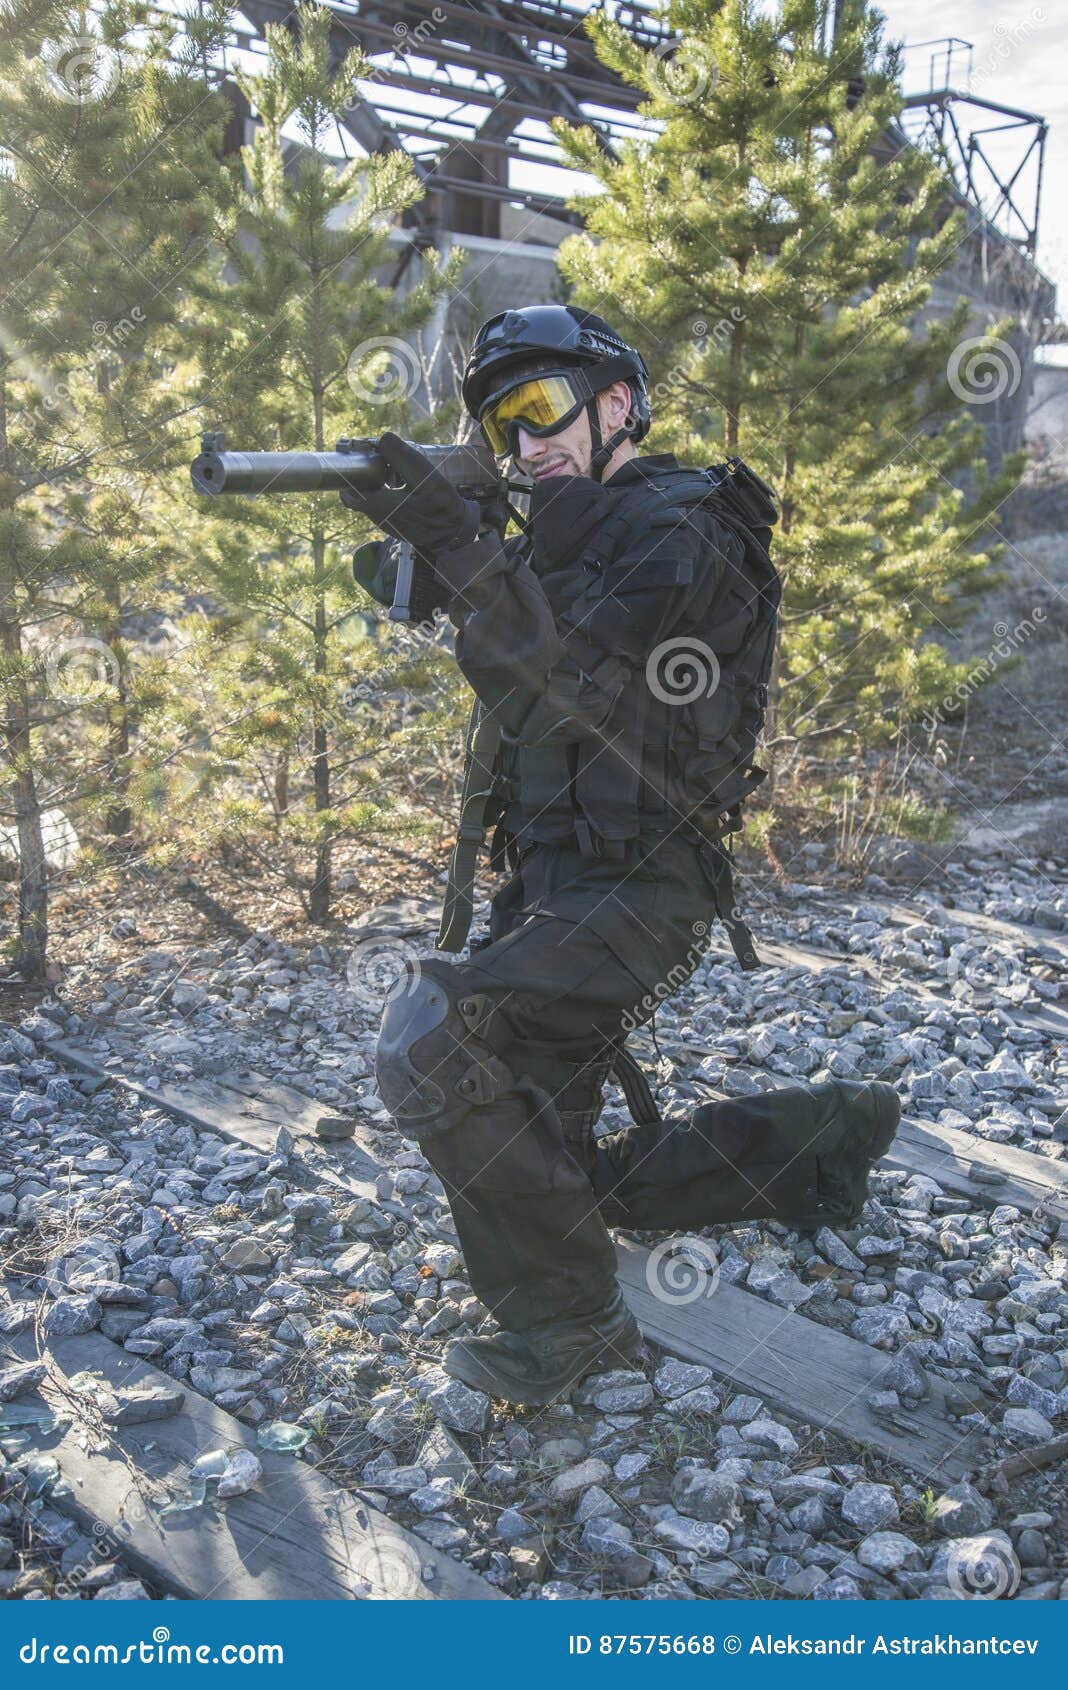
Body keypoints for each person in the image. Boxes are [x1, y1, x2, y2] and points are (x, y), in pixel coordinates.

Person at [344, 305, 901, 1406]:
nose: (526, 441)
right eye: (505, 425)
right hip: (555, 890)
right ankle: (817, 1142)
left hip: (645, 891)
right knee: (554, 1173)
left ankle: (573, 1331)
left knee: (431, 1037)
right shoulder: (568, 538)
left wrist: (463, 554)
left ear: (617, 406)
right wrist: (426, 556)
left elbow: (561, 678)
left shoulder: (687, 530)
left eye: (544, 407)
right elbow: (517, 635)